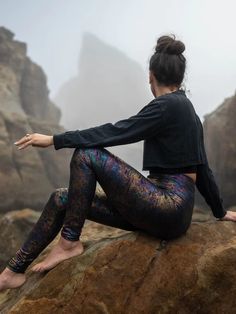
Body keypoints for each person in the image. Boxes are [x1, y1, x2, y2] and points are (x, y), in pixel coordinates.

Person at [0, 34, 235, 292]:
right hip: (163, 211)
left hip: (166, 207)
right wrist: (219, 211)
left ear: (151, 76)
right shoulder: (187, 111)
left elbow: (115, 132)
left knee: (86, 155)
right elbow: (203, 169)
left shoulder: (167, 106)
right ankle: (12, 272)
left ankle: (68, 243)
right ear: (179, 77)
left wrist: (55, 139)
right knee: (61, 199)